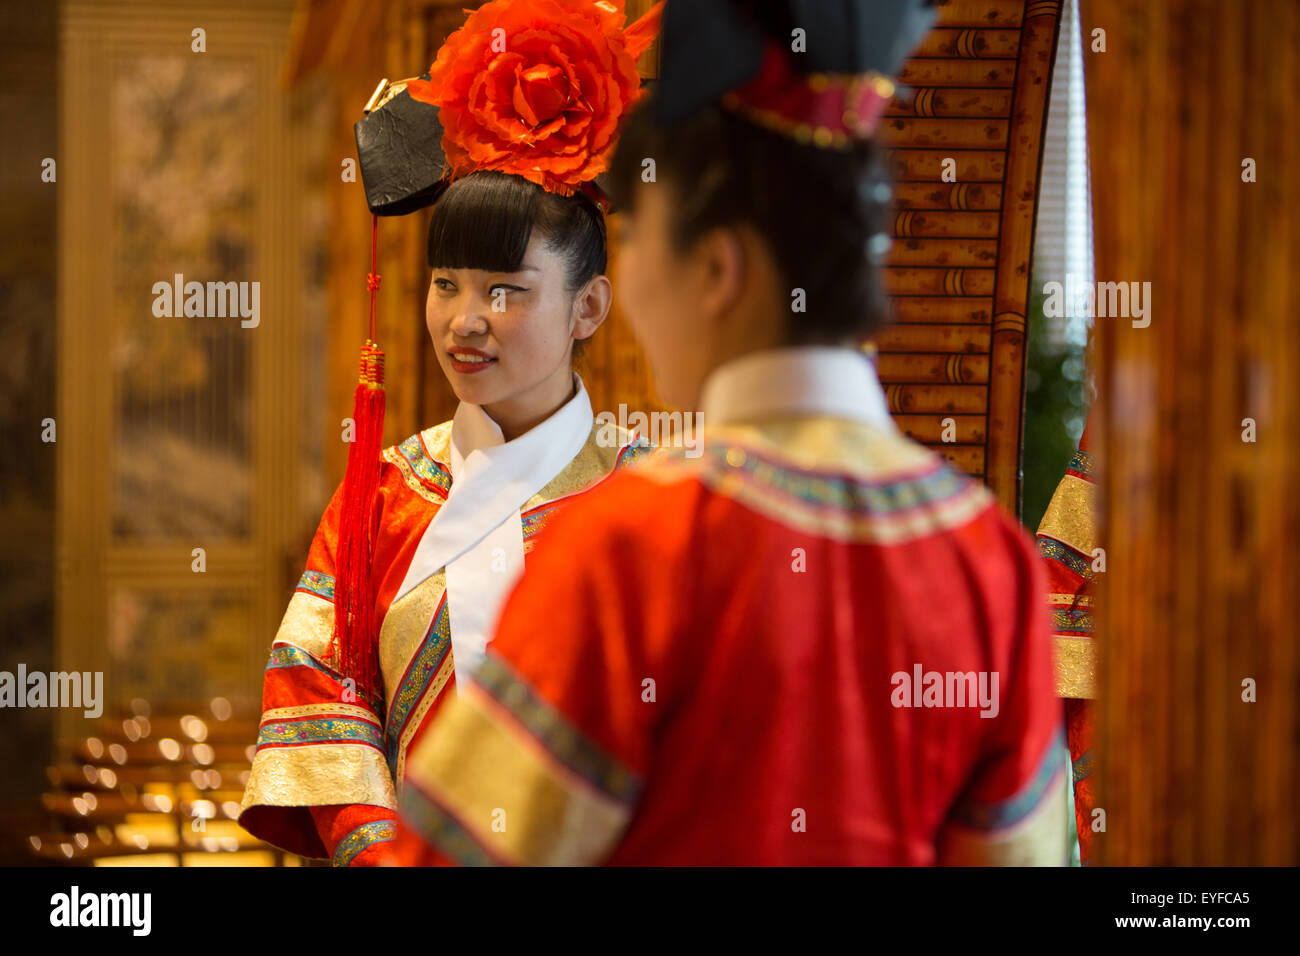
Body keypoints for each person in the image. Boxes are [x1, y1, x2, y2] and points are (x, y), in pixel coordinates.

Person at [394, 0, 1069, 866]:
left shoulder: (633, 547)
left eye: (634, 242)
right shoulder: (990, 562)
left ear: (717, 268)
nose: (625, 292)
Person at [238, 0, 662, 866]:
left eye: (505, 289)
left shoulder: (652, 498)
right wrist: (381, 850)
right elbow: (320, 688)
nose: (466, 321)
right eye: (445, 284)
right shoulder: (388, 490)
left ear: (590, 306)